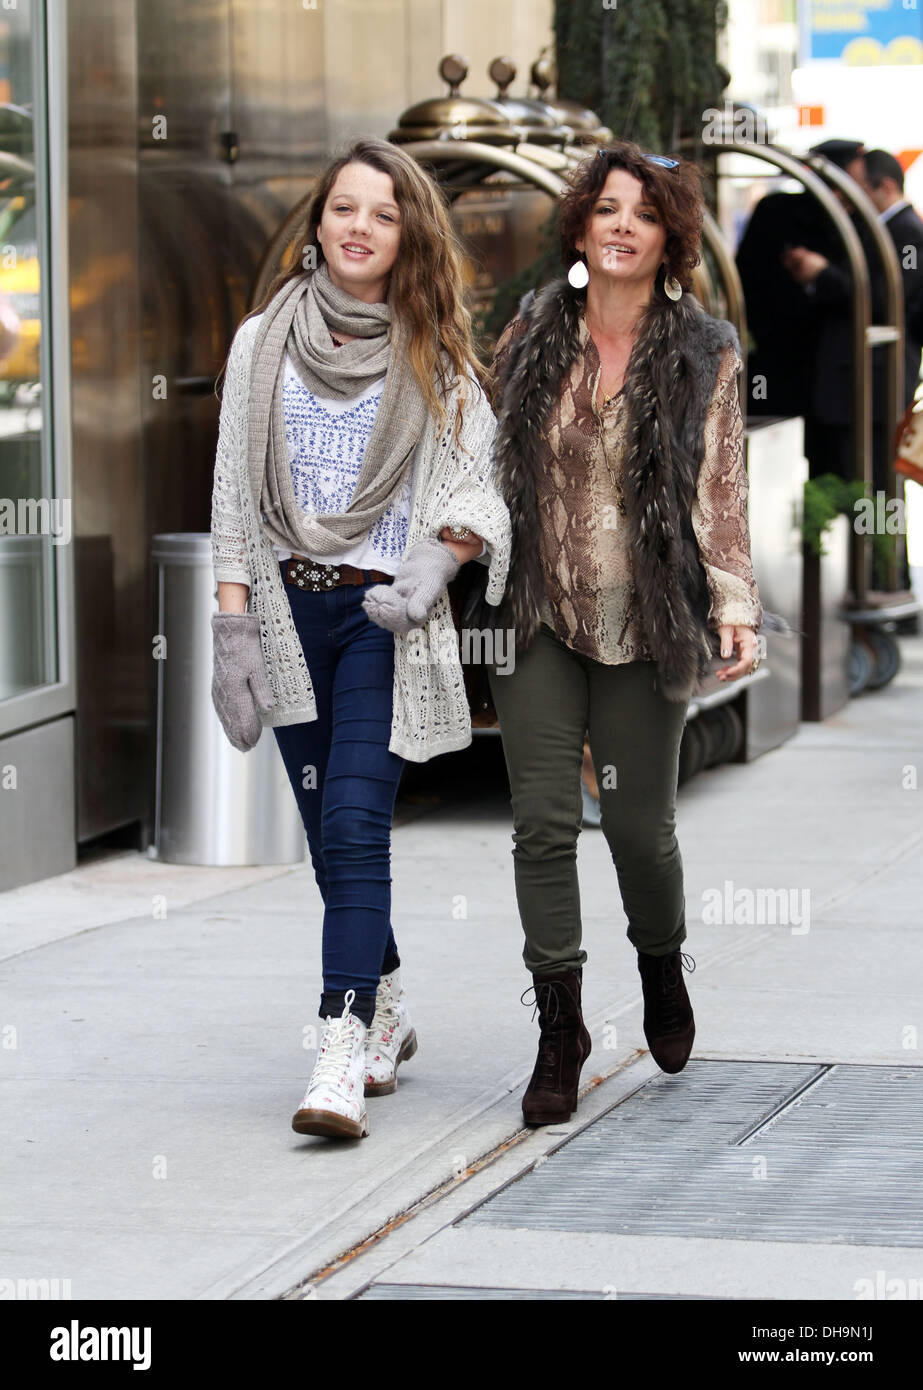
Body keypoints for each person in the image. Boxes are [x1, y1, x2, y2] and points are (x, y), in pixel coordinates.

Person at [209, 137, 511, 1141]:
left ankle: (338, 1048)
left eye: (382, 214)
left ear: (407, 233)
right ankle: (385, 1005)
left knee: (352, 826)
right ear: (318, 219)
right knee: (324, 843)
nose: (358, 227)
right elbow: (230, 494)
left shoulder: (434, 353)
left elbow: (474, 483)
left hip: (385, 615)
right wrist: (231, 624)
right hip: (289, 617)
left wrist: (437, 561)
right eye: (343, 207)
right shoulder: (264, 340)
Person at [484, 140, 763, 1127]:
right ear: (580, 223)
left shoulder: (703, 349)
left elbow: (717, 489)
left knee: (639, 828)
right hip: (538, 609)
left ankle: (659, 962)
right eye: (606, 208)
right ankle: (558, 1031)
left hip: (648, 614)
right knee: (542, 823)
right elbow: (480, 459)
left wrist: (731, 603)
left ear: (666, 238)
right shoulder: (528, 329)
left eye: (641, 214)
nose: (620, 227)